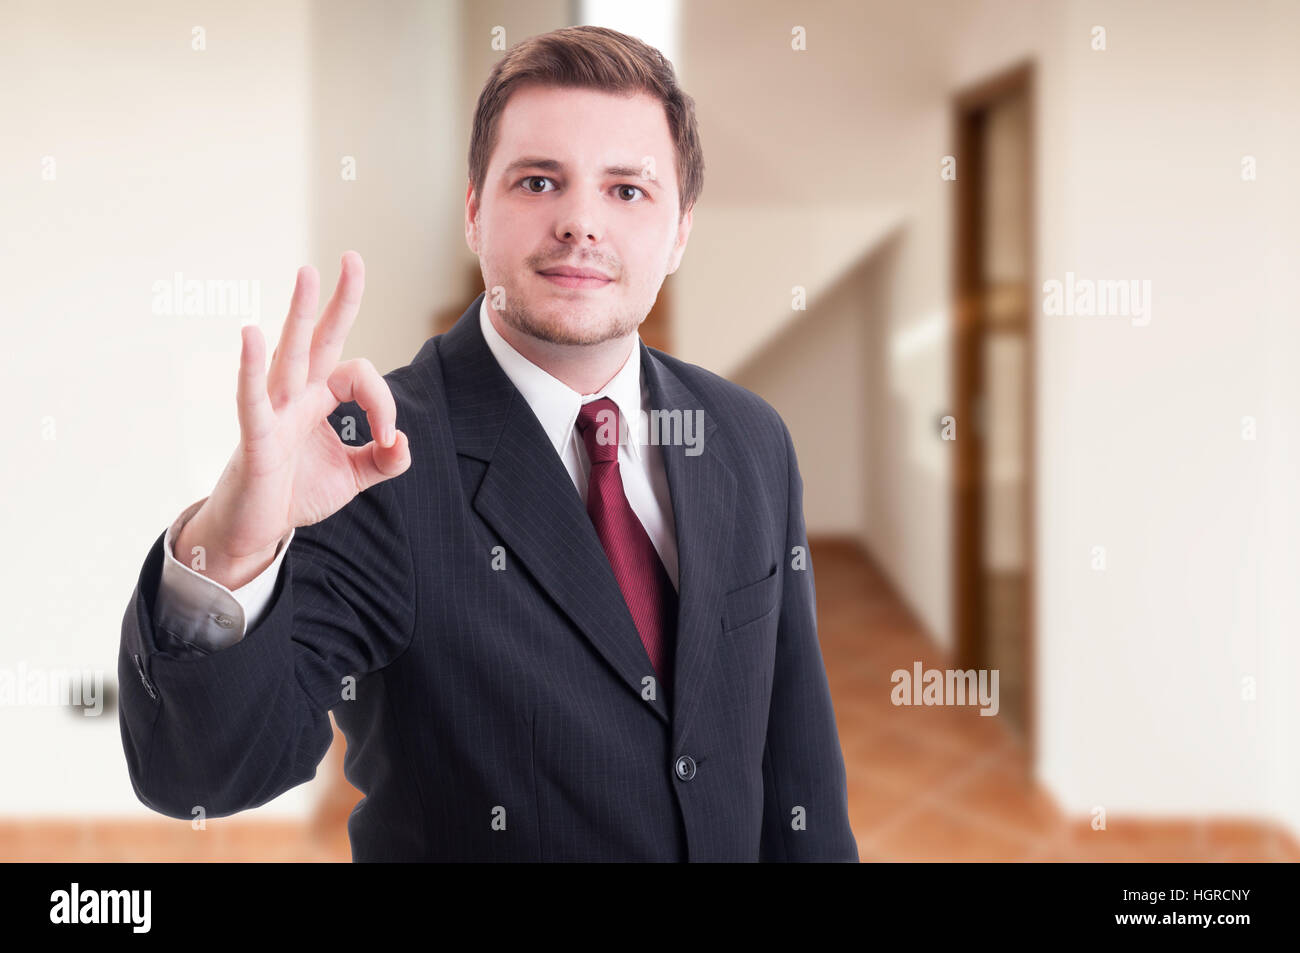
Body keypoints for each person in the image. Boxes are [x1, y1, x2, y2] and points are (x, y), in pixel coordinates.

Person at [119, 24, 857, 862]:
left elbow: (798, 775)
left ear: (681, 230)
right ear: (474, 209)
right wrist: (238, 540)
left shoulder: (750, 438)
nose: (581, 223)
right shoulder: (371, 455)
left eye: (627, 190)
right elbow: (200, 773)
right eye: (539, 181)